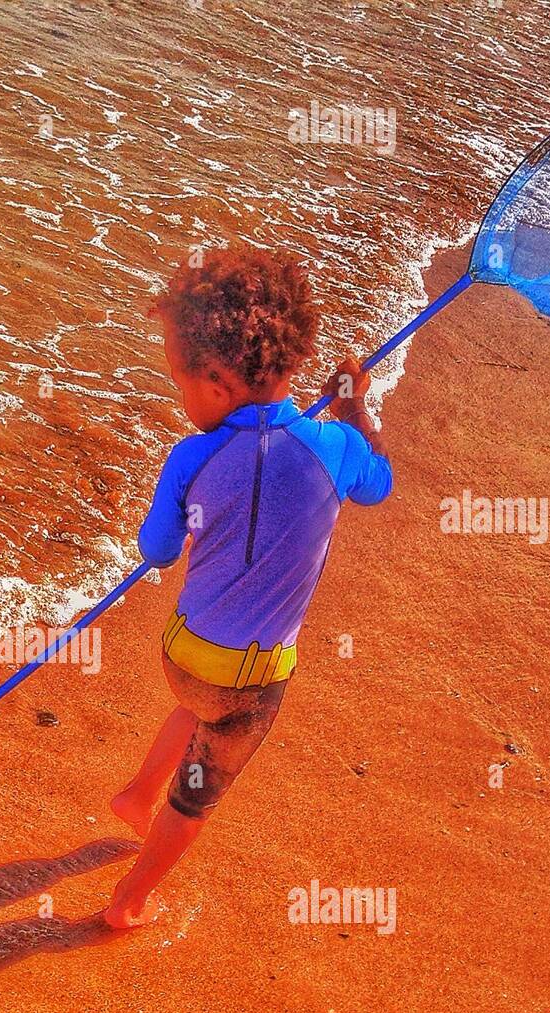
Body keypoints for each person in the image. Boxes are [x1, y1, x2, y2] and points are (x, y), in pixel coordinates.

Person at [105, 247, 392, 929]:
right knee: (198, 790)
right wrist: (355, 409)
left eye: (181, 383)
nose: (181, 398)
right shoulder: (337, 449)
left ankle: (137, 792)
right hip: (254, 680)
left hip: (183, 654)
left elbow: (157, 550)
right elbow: (377, 484)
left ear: (217, 382)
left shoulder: (191, 455)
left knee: (196, 705)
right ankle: (128, 899)